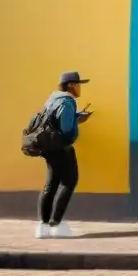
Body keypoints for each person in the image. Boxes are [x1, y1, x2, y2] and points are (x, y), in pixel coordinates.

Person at [36, 71, 93, 239]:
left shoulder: (53, 98)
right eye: (79, 85)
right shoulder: (67, 102)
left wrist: (75, 117)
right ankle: (56, 223)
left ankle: (43, 226)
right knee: (70, 181)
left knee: (51, 184)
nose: (80, 88)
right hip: (62, 148)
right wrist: (78, 120)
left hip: (49, 147)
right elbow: (66, 129)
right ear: (71, 86)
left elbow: (55, 119)